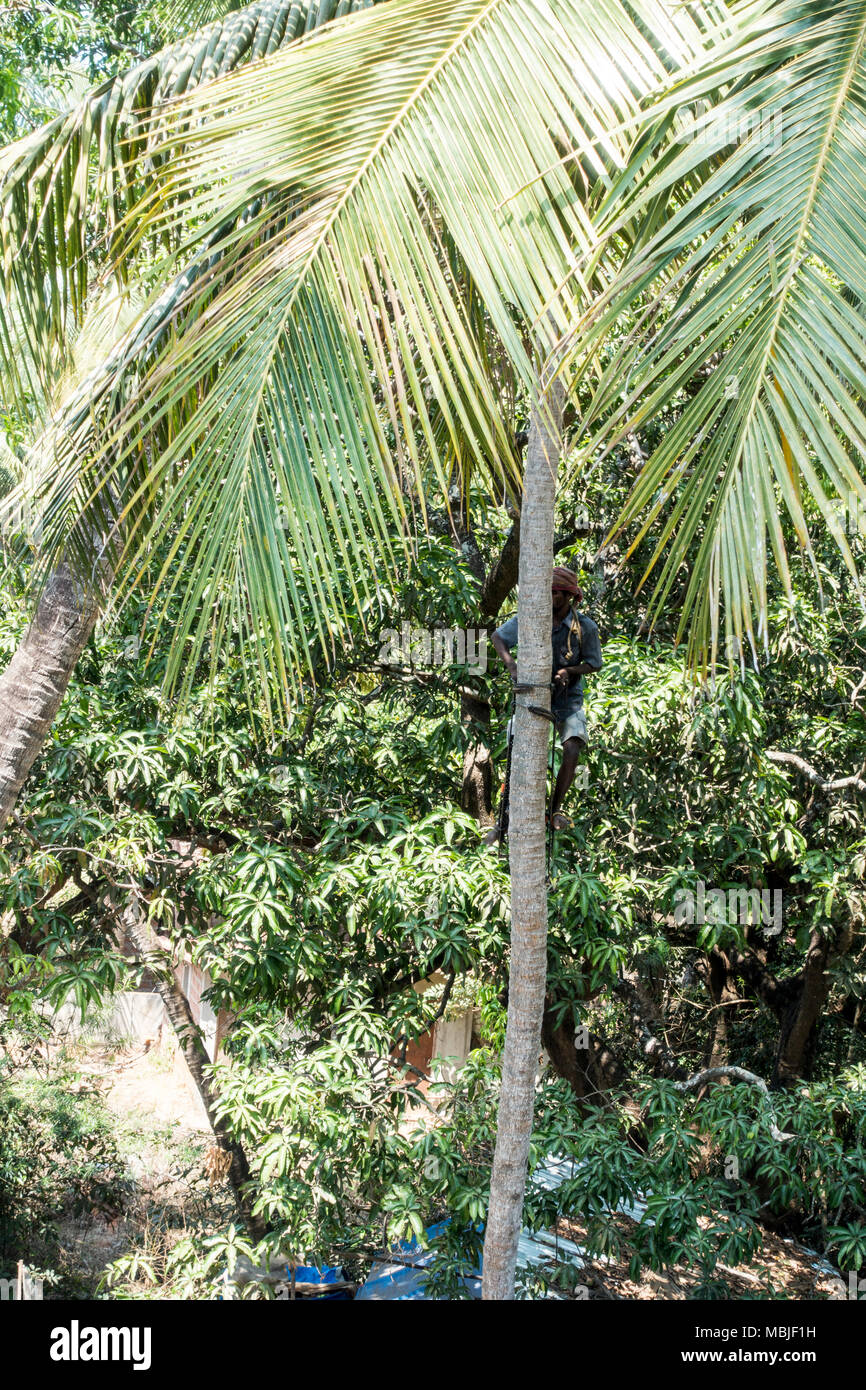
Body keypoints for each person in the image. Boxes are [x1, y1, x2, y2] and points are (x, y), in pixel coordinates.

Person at [489, 566, 602, 836]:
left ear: (566, 596)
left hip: (567, 699)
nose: (548, 598)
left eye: (553, 593)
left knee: (573, 747)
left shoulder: (584, 626)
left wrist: (570, 671)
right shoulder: (531, 618)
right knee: (516, 748)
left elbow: (594, 664)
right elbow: (498, 637)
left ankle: (554, 809)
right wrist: (512, 667)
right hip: (531, 696)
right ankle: (503, 819)